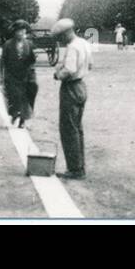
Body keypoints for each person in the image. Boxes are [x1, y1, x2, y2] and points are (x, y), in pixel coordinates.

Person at [52, 17, 91, 179]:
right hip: (82, 86)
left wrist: (57, 74)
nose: (60, 40)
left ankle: (74, 169)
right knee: (77, 128)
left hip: (71, 87)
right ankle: (80, 166)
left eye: (60, 36)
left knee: (68, 129)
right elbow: (91, 65)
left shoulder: (72, 47)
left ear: (66, 33)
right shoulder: (84, 43)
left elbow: (69, 69)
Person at [0, 19, 38, 128]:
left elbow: (32, 61)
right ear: (14, 32)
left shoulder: (29, 44)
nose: (21, 33)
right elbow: (3, 61)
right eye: (18, 31)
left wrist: (31, 69)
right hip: (12, 75)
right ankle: (14, 115)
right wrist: (1, 75)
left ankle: (22, 120)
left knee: (25, 98)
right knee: (14, 97)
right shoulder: (8, 45)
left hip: (25, 75)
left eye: (23, 31)